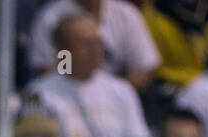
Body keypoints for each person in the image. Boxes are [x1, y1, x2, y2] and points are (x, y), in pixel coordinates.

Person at [26, 11, 150, 137]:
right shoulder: (40, 94)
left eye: (98, 42)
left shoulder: (121, 90)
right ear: (63, 50)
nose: (96, 50)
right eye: (85, 44)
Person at [26, 0, 161, 91]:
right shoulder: (52, 17)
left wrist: (110, 91)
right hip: (66, 95)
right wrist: (80, 88)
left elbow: (144, 69)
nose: (95, 50)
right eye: (86, 44)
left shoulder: (126, 14)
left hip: (115, 94)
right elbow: (54, 70)